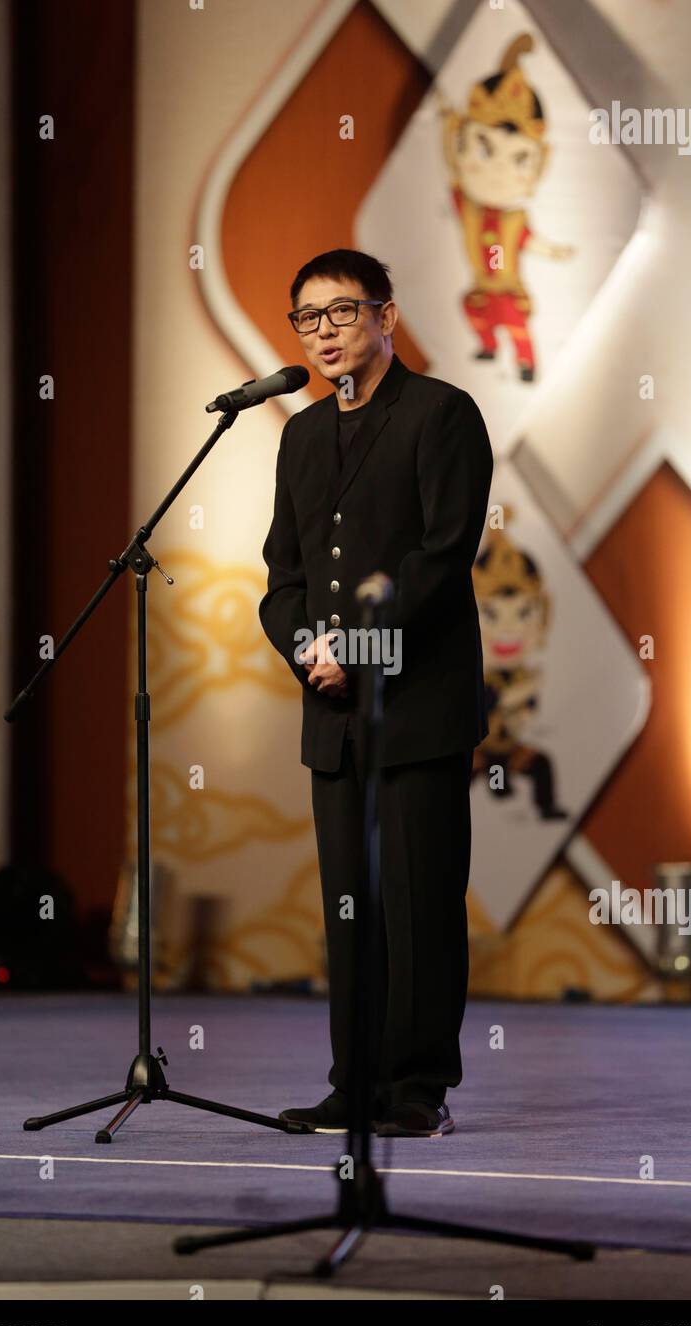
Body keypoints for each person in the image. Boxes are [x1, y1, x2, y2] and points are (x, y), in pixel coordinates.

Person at [259, 249, 493, 1136]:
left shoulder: (441, 414)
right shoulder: (301, 434)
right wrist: (306, 646)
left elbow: (441, 555)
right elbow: (281, 576)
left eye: (343, 312)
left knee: (418, 902)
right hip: (333, 715)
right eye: (307, 318)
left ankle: (417, 1090)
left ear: (387, 317)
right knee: (349, 906)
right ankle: (352, 1083)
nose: (325, 331)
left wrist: (357, 647)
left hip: (418, 706)